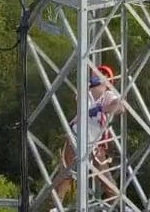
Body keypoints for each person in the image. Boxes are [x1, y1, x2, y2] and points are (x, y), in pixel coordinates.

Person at [51, 65, 123, 205]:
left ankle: (120, 206)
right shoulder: (85, 92)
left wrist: (101, 108)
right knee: (66, 175)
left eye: (103, 74)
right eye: (98, 73)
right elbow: (79, 100)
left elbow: (120, 107)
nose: (99, 76)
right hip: (76, 139)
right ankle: (55, 207)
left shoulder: (108, 96)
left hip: (95, 144)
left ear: (109, 81)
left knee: (105, 179)